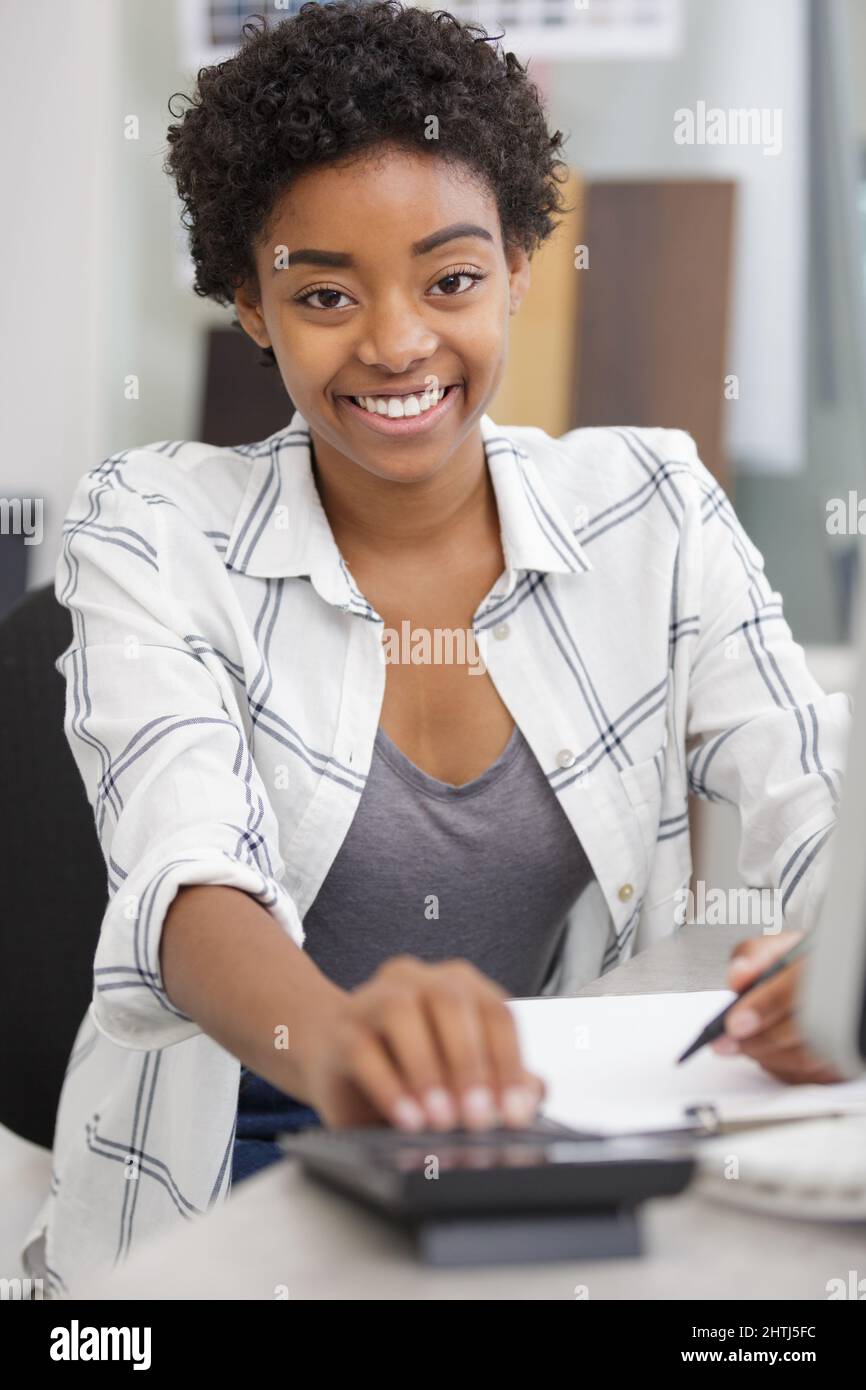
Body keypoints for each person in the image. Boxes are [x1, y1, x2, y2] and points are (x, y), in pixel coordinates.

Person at [23, 0, 850, 1296]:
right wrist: (346, 1040)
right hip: (218, 1183)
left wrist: (844, 964)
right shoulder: (152, 525)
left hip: (515, 1152)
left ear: (522, 259)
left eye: (450, 278)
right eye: (323, 293)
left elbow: (817, 794)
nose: (397, 341)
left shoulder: (655, 507)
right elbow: (184, 877)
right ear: (251, 300)